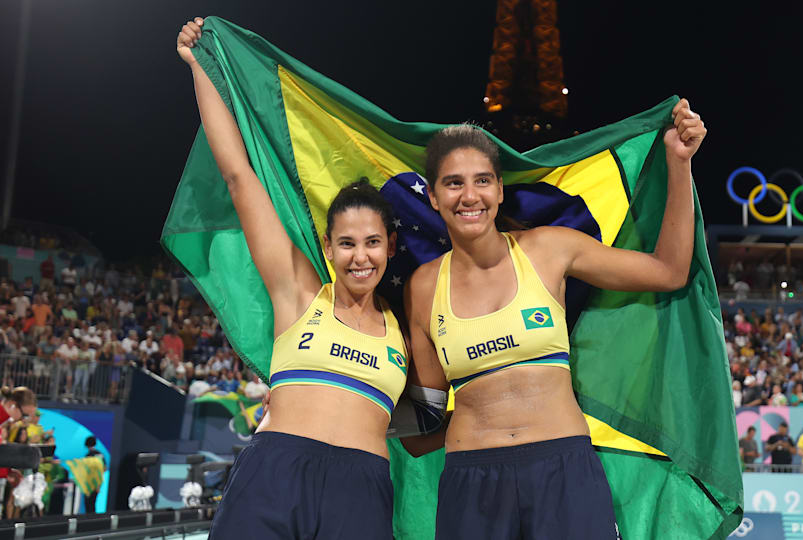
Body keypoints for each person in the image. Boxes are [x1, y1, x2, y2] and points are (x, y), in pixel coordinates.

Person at [403, 97, 705, 537]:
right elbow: (421, 428)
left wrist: (678, 163)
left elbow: (669, 271)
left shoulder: (550, 249)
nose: (470, 196)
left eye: (482, 180)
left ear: (500, 189)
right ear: (432, 196)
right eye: (453, 183)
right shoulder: (423, 287)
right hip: (472, 479)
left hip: (564, 469)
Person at [178, 18, 423, 538]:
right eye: (347, 244)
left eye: (373, 242)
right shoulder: (300, 293)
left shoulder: (407, 331)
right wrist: (202, 67)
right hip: (276, 472)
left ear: (391, 246)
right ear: (329, 248)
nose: (360, 257)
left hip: (362, 489)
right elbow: (239, 176)